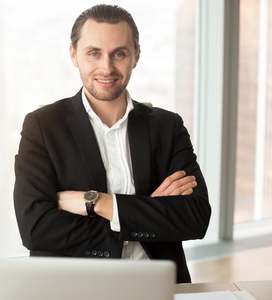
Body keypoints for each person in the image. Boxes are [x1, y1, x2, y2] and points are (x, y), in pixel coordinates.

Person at [13, 4, 211, 284]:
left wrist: (98, 203)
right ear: (74, 55)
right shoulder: (43, 126)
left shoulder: (167, 126)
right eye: (94, 53)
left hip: (157, 285)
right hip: (76, 287)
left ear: (136, 56)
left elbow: (195, 217)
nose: (106, 68)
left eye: (119, 53)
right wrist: (144, 213)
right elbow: (35, 228)